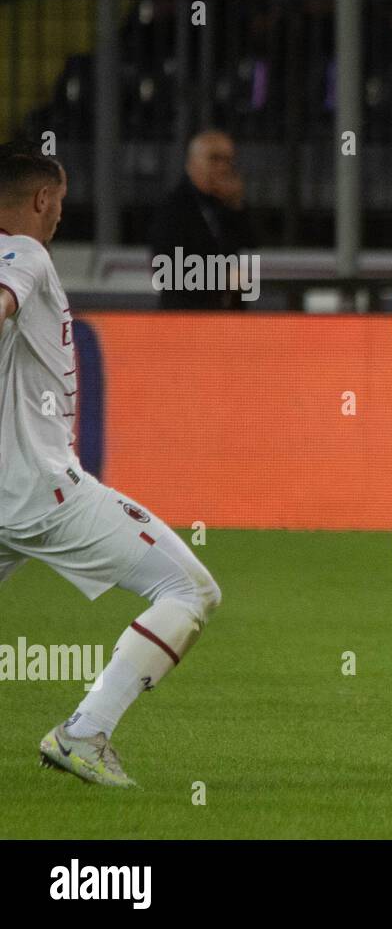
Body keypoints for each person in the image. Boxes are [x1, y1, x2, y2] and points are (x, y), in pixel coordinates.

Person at [0, 141, 221, 787]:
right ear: (41, 200)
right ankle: (84, 733)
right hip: (41, 491)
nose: (61, 216)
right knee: (191, 590)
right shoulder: (26, 251)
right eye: (60, 203)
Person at [149, 129, 255, 310]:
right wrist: (222, 277)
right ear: (192, 162)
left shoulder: (225, 207)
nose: (223, 167)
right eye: (215, 158)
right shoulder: (173, 207)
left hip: (227, 320)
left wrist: (236, 206)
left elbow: (252, 245)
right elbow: (166, 271)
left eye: (228, 160)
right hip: (186, 319)